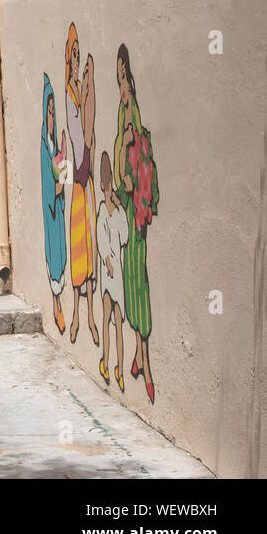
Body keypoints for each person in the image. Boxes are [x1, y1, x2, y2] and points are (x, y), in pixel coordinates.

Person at [114, 43, 159, 403]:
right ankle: (140, 355)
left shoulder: (135, 115)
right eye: (118, 80)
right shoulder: (121, 114)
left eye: (124, 77)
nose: (122, 85)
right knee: (130, 282)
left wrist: (131, 184)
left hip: (137, 215)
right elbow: (119, 168)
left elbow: (140, 161)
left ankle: (143, 356)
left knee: (138, 281)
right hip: (127, 212)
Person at [64, 25, 99, 345]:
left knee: (90, 257)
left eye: (78, 55)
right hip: (78, 185)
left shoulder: (78, 92)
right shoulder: (71, 96)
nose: (76, 61)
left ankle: (87, 319)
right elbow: (83, 141)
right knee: (80, 258)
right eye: (73, 55)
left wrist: (88, 92)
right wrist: (86, 94)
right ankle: (77, 317)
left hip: (85, 184)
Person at [95, 150, 128, 391]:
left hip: (117, 273)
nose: (108, 187)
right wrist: (107, 259)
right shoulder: (102, 213)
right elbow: (101, 241)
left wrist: (121, 207)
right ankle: (107, 362)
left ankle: (118, 367)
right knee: (108, 319)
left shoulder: (117, 212)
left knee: (115, 320)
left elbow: (124, 237)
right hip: (109, 274)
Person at [41, 74, 68, 333]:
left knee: (61, 257)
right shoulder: (44, 148)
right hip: (51, 216)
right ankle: (57, 304)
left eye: (53, 112)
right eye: (48, 112)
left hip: (57, 215)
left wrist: (63, 160)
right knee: (54, 258)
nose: (51, 117)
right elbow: (55, 187)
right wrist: (64, 164)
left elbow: (61, 183)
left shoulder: (54, 146)